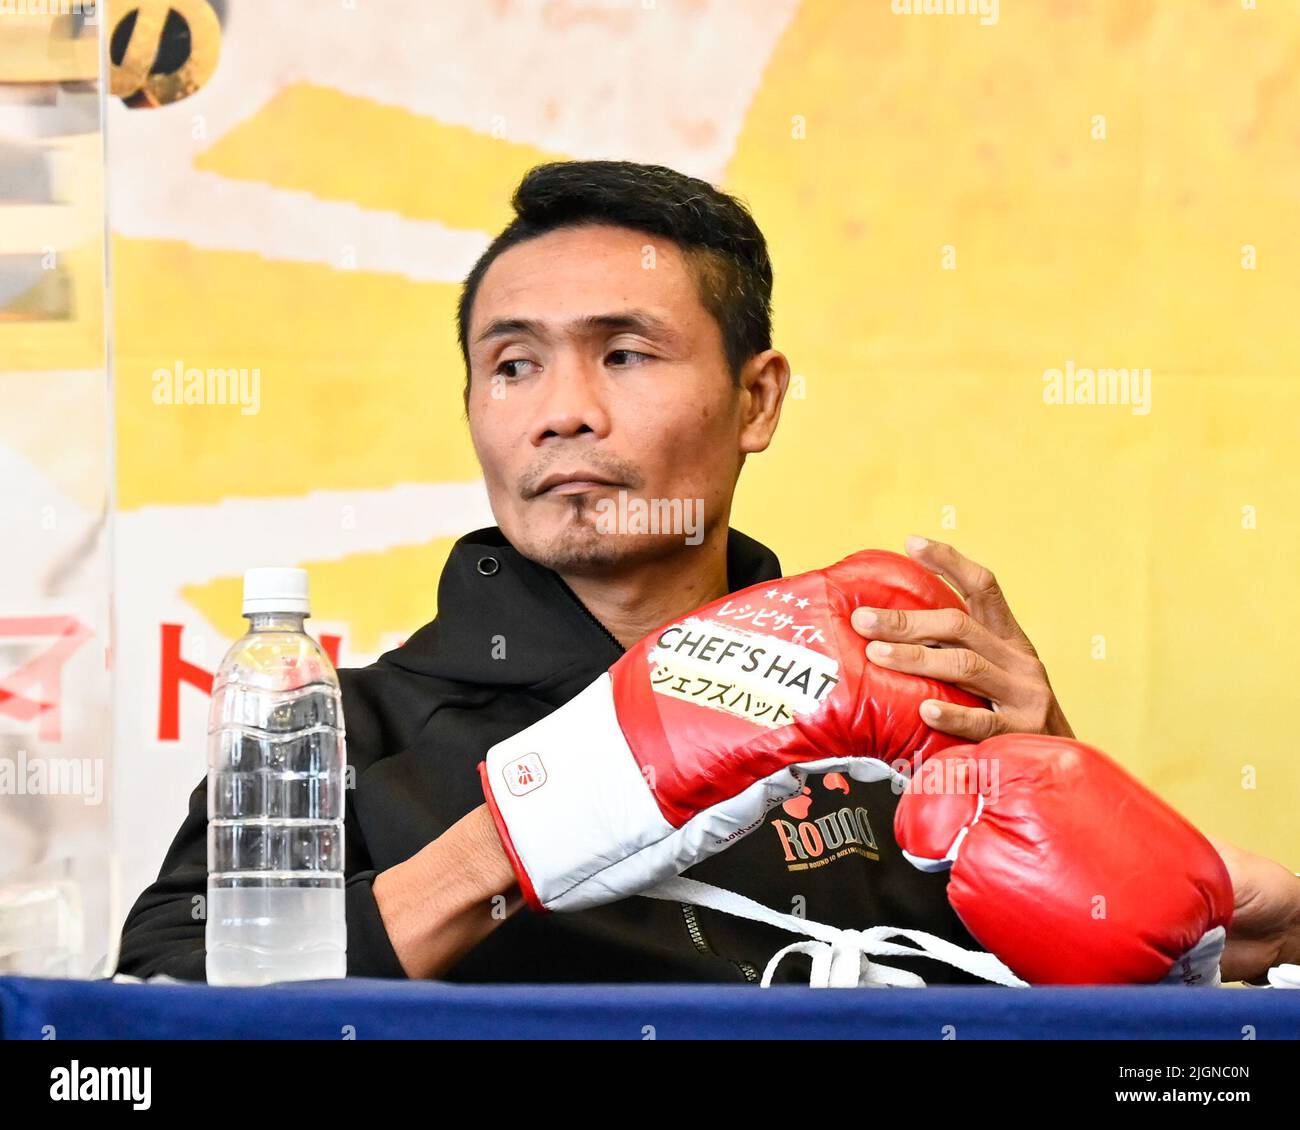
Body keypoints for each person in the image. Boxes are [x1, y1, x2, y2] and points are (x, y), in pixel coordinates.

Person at [116, 160, 1300, 985]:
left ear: (757, 397)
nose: (562, 415)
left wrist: (1069, 793)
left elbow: (1139, 1043)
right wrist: (528, 829)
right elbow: (148, 1030)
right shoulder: (343, 730)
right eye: (513, 365)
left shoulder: (907, 707)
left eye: (624, 353)